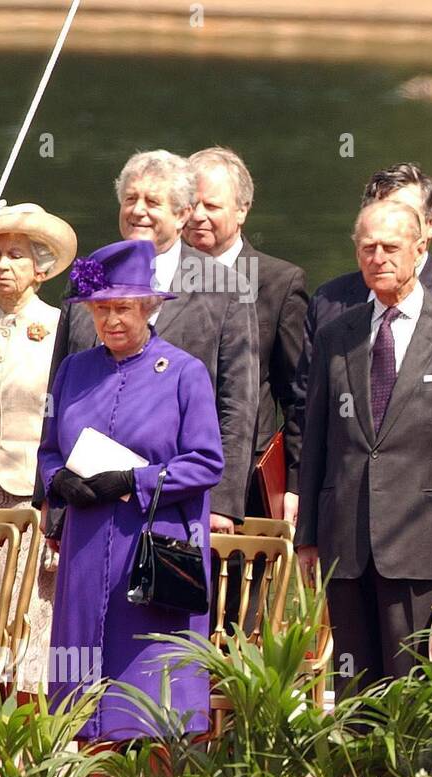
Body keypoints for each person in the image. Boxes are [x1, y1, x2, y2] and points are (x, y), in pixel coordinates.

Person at [296, 200, 432, 691]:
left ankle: (425, 772)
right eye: (368, 248)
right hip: (346, 541)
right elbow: (317, 439)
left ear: (419, 248)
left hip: (424, 542)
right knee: (354, 689)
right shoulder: (335, 336)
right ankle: (358, 771)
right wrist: (308, 535)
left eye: (391, 247)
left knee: (418, 686)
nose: (379, 257)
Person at [39, 239, 223, 757]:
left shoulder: (184, 372)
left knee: (151, 692)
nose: (110, 320)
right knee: (80, 692)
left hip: (152, 547)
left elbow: (207, 463)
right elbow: (49, 450)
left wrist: (134, 481)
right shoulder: (75, 370)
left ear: (149, 307)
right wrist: (59, 482)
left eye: (122, 308)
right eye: (100, 309)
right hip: (85, 544)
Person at [46, 150, 257, 531]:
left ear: (182, 214)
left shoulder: (225, 286)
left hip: (173, 502)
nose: (138, 210)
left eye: (152, 201)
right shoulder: (89, 278)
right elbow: (56, 395)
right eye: (130, 199)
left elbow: (237, 403)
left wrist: (223, 502)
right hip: (85, 502)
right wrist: (51, 497)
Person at [290, 163, 432, 500]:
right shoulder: (330, 301)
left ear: (429, 225)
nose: (388, 226)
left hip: (429, 503)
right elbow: (306, 405)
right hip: (344, 497)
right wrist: (300, 489)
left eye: (401, 215)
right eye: (379, 214)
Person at [186, 147, 307, 523]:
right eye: (190, 204)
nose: (198, 216)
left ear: (242, 210)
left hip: (244, 481)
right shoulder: (157, 277)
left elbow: (298, 395)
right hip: (166, 472)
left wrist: (295, 483)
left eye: (212, 205)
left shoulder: (278, 283)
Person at [0, 203, 75, 693]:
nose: (2, 266)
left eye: (15, 256)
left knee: (25, 620)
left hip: (30, 496)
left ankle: (26, 750)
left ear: (40, 269)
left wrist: (59, 503)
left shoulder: (58, 329)